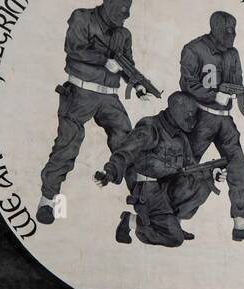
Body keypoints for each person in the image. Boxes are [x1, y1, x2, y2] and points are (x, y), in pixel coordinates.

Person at [37, 0, 161, 224]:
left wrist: (137, 85)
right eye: (118, 12)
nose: (122, 18)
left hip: (109, 97)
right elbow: (73, 49)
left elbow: (128, 65)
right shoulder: (82, 18)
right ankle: (48, 201)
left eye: (125, 14)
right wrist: (105, 60)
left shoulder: (124, 35)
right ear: (106, 4)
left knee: (128, 144)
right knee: (68, 143)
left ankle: (144, 206)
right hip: (80, 92)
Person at [178, 11, 244, 242]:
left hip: (225, 120)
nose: (231, 36)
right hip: (201, 118)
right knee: (186, 168)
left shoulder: (233, 54)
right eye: (227, 32)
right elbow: (187, 83)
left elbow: (237, 85)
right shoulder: (194, 49)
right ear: (214, 29)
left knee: (239, 170)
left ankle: (241, 224)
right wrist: (214, 95)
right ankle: (172, 220)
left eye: (233, 32)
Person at [93, 92, 220, 247]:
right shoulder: (150, 127)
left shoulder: (181, 137)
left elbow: (191, 166)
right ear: (177, 111)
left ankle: (173, 223)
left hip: (168, 187)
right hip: (148, 189)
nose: (192, 122)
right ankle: (132, 221)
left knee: (203, 182)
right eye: (189, 116)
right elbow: (126, 151)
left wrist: (212, 172)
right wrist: (109, 173)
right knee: (175, 239)